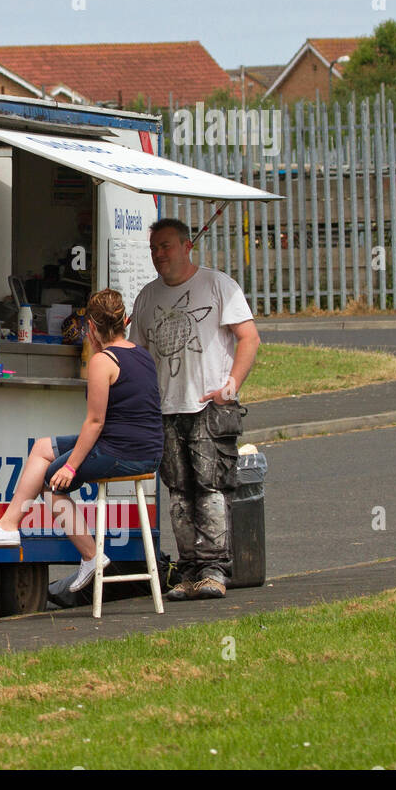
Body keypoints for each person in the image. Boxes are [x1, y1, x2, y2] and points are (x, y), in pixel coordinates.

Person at [0, 289, 164, 595]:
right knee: (42, 447)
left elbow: (95, 422)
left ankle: (91, 555)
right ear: (125, 320)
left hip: (123, 450)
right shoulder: (142, 354)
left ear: (91, 329)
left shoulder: (102, 361)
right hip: (143, 446)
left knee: (52, 484)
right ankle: (8, 526)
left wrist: (70, 467)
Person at [128, 217, 260, 601]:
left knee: (211, 487)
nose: (158, 255)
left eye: (165, 246)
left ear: (188, 246)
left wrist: (231, 385)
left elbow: (248, 336)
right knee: (179, 493)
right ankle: (189, 570)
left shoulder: (217, 285)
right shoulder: (147, 298)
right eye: (154, 248)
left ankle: (216, 569)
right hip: (165, 409)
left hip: (208, 408)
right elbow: (139, 355)